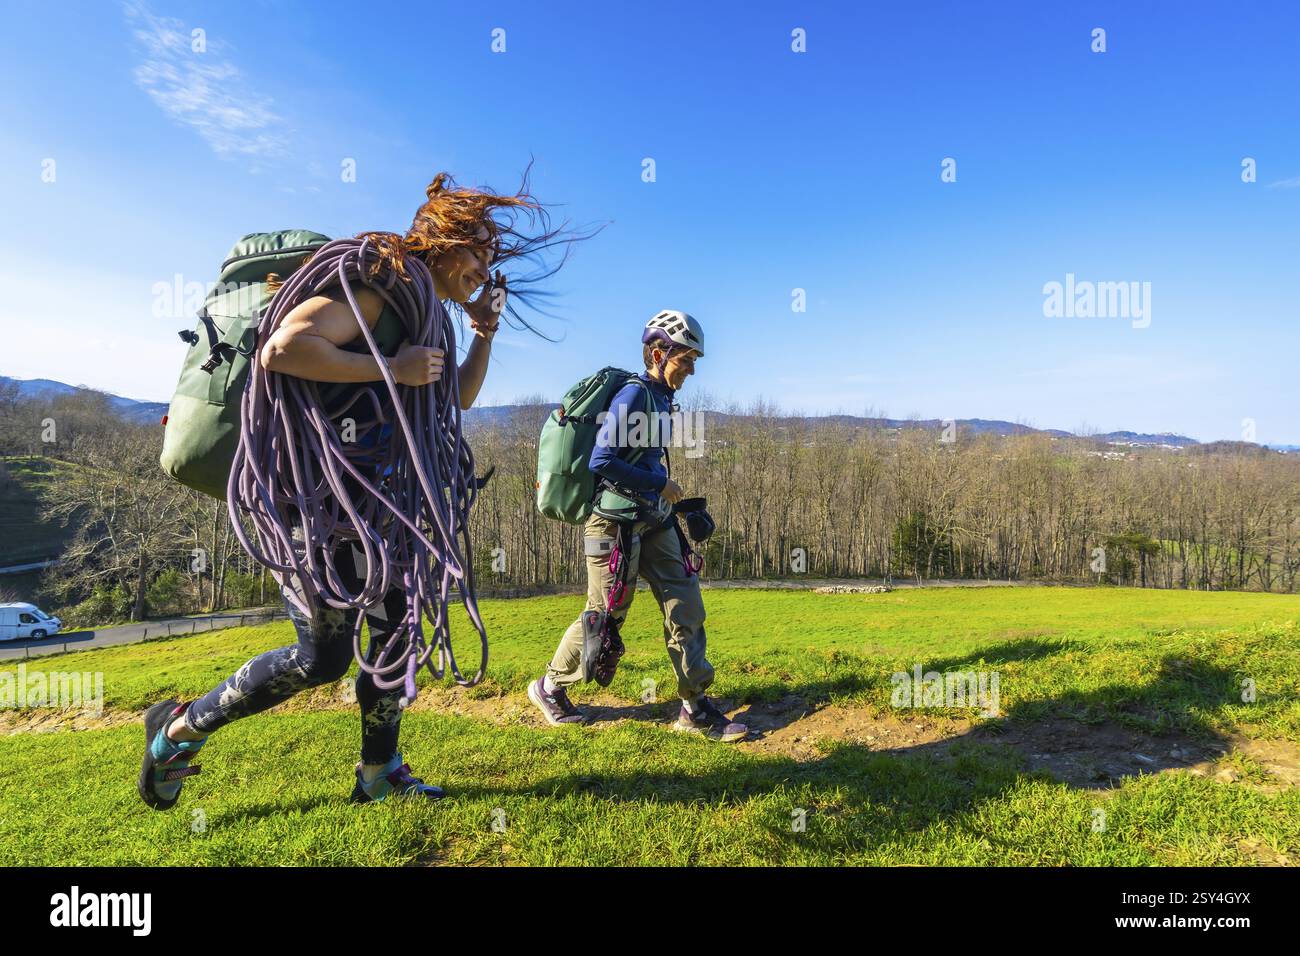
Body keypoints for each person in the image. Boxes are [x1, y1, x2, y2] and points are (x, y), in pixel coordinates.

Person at [139, 172, 578, 810]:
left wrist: (482, 334)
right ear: (444, 241)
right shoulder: (382, 283)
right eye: (479, 249)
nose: (485, 267)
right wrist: (390, 368)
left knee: (395, 638)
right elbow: (286, 348)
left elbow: (451, 397)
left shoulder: (429, 318)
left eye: (490, 254)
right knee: (321, 658)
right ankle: (175, 732)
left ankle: (378, 775)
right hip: (314, 506)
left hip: (375, 510)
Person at [528, 311, 748, 742]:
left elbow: (643, 459)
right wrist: (662, 484)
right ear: (657, 353)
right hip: (613, 525)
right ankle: (550, 686)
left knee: (685, 604)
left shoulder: (663, 398)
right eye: (685, 359)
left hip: (655, 520)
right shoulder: (633, 395)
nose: (692, 368)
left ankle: (694, 705)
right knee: (604, 617)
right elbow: (602, 461)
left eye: (693, 360)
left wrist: (676, 502)